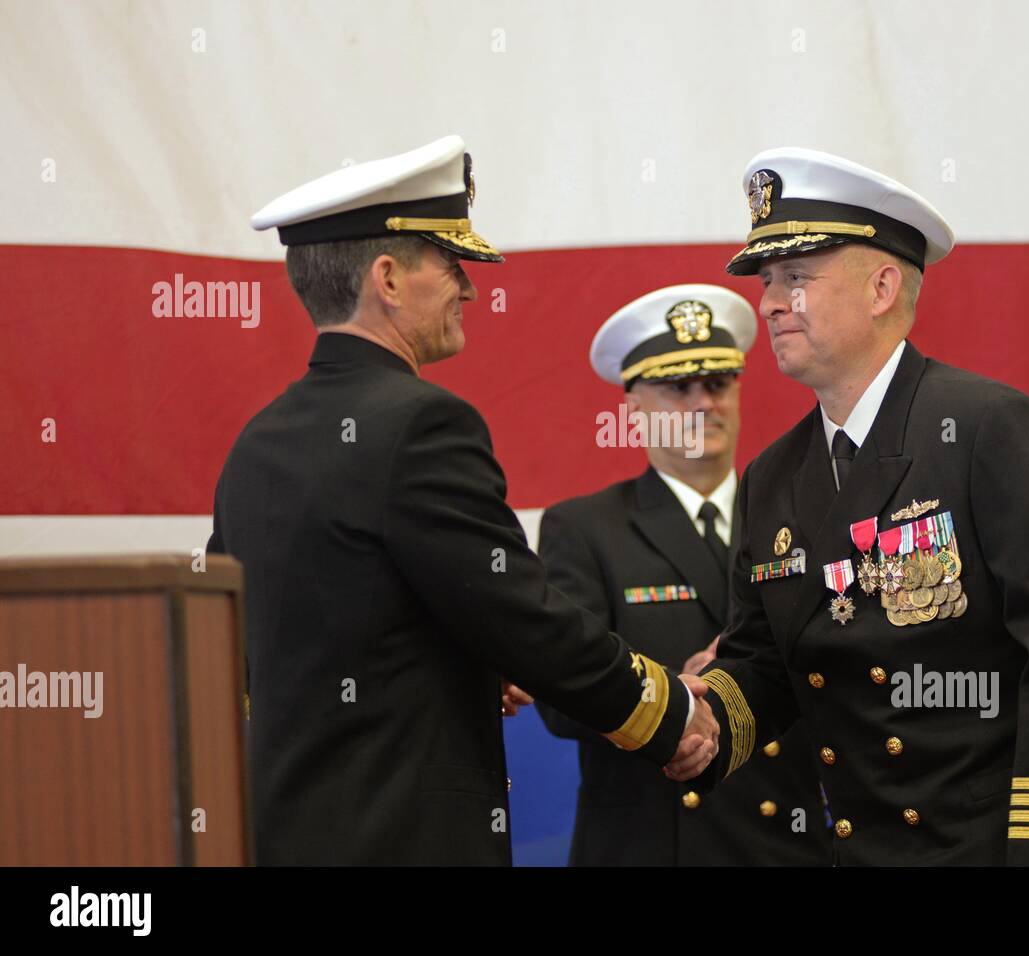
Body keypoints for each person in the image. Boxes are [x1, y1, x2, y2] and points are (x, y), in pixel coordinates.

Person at [206, 135, 716, 865]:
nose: (470, 289)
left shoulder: (255, 444)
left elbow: (273, 648)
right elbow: (527, 618)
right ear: (386, 277)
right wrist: (671, 714)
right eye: (451, 264)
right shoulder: (420, 425)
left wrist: (467, 660)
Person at [667, 147, 1029, 865]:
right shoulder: (773, 476)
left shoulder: (993, 429)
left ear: (882, 287)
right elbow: (763, 661)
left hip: (1007, 849)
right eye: (767, 281)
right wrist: (695, 720)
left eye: (795, 278)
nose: (768, 302)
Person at [537, 284, 831, 865]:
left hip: (787, 844)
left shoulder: (802, 514)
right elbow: (560, 697)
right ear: (633, 408)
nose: (703, 404)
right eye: (678, 387)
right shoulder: (584, 529)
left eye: (718, 384)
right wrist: (675, 694)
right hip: (658, 845)